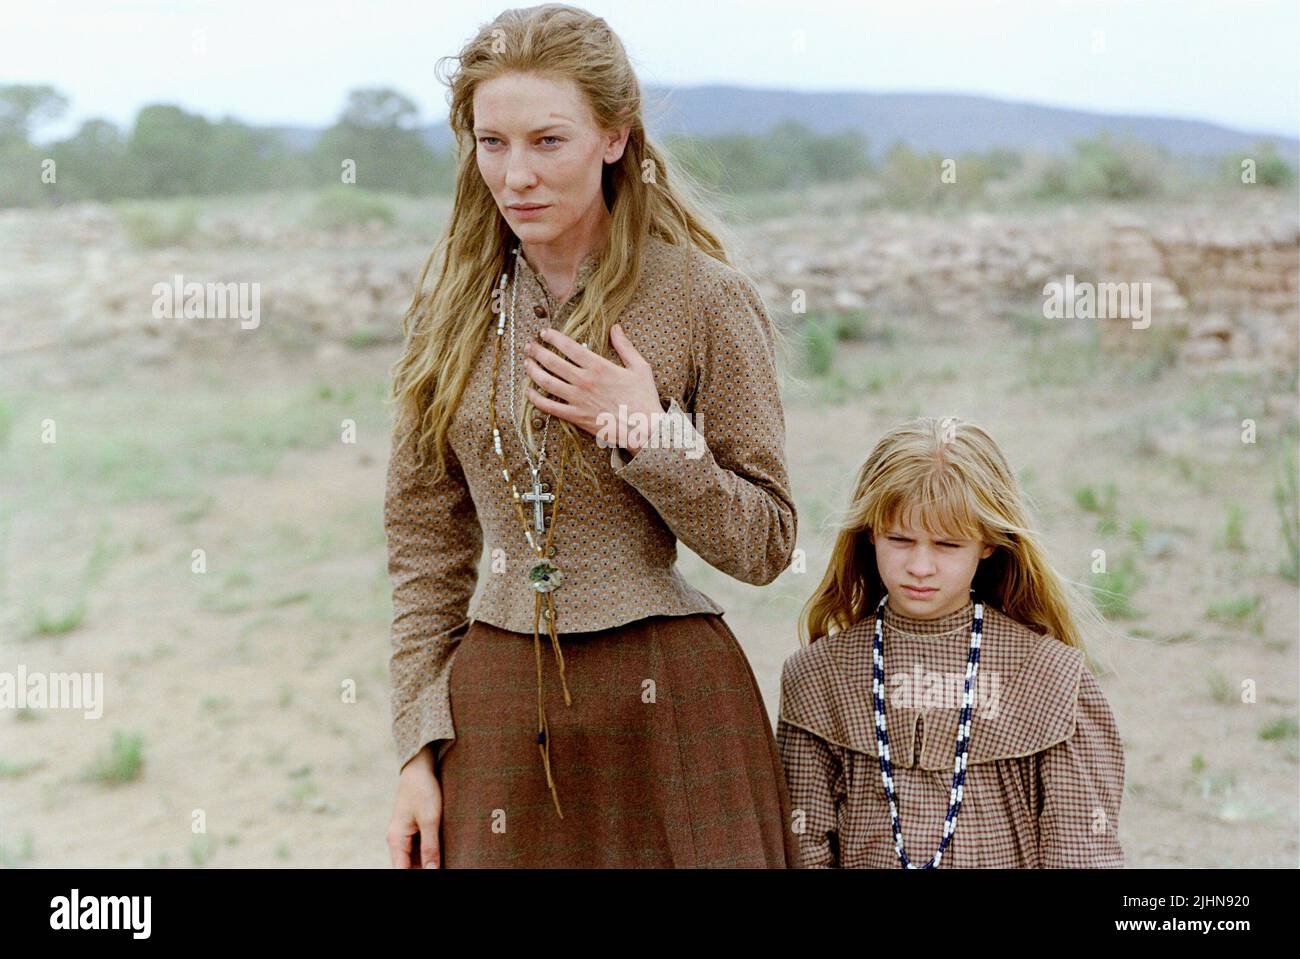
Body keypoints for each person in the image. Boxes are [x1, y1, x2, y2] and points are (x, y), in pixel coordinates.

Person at [383, 4, 801, 868]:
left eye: (547, 141)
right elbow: (425, 544)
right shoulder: (449, 311)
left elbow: (767, 543)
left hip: (674, 702)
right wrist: (416, 749)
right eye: (490, 143)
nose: (515, 175)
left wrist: (650, 433)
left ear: (615, 138)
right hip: (496, 706)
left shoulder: (705, 298)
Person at [778, 416, 1126, 868]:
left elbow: (1081, 852)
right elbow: (803, 849)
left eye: (947, 544)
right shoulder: (819, 675)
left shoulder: (1050, 676)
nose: (920, 566)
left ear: (988, 544)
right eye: (900, 539)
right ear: (869, 533)